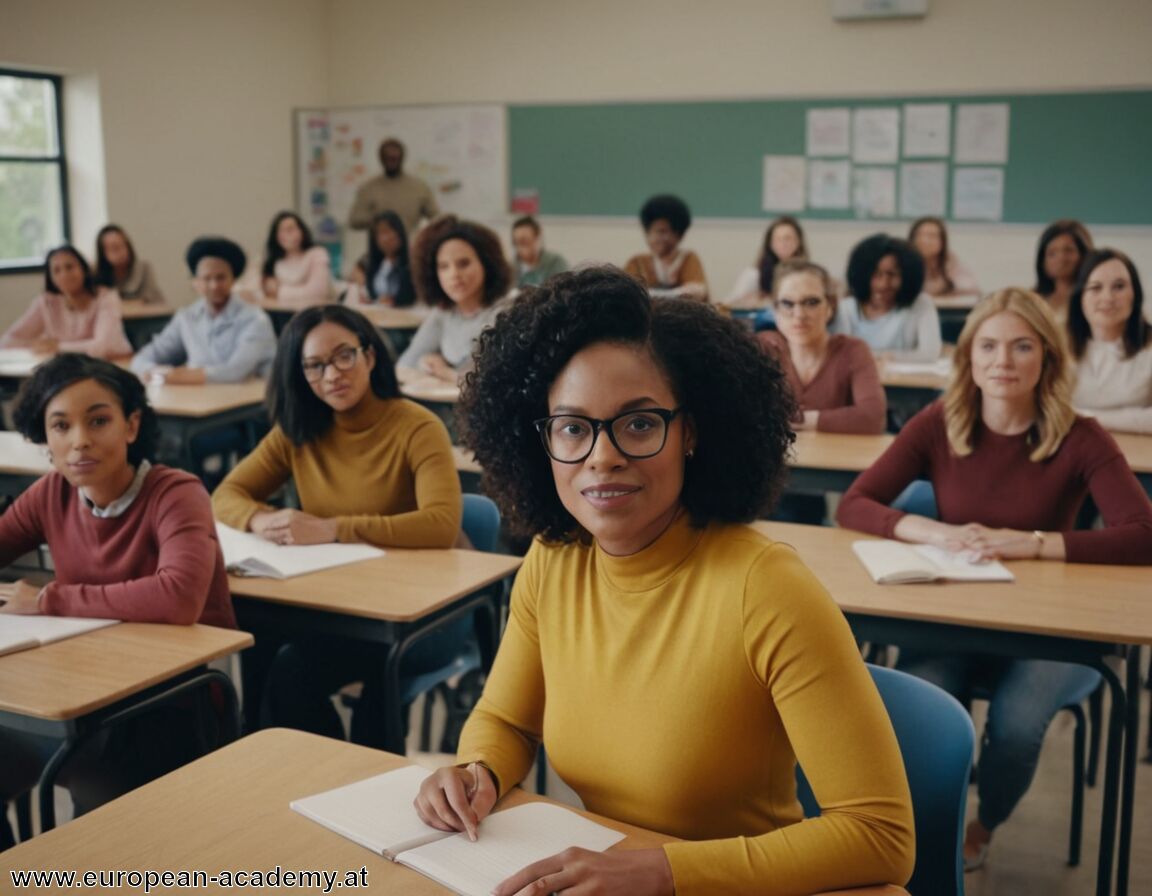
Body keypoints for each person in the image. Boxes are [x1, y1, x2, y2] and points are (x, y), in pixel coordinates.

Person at [414, 267, 914, 895]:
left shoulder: (767, 588)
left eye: (640, 424)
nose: (602, 457)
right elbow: (507, 721)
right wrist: (477, 772)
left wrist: (664, 872)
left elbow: (880, 836)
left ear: (691, 432)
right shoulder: (555, 558)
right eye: (572, 427)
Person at [837, 288, 1152, 870]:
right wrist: (932, 531)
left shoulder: (1080, 434)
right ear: (969, 357)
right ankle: (930, 828)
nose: (1002, 361)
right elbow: (855, 503)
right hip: (956, 617)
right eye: (988, 346)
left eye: (1021, 346)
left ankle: (983, 826)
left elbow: (1143, 532)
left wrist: (1033, 544)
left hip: (1049, 631)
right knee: (921, 711)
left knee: (1016, 727)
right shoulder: (940, 421)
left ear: (1047, 357)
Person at [0, 354, 236, 845]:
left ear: (131, 425)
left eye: (98, 421)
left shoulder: (176, 493)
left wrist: (49, 600)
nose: (79, 440)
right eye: (60, 426)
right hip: (80, 690)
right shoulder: (51, 493)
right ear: (45, 440)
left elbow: (178, 597)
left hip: (170, 703)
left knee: (102, 813)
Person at [212, 305, 462, 742]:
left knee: (318, 672)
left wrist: (334, 528)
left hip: (420, 613)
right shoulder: (299, 430)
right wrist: (260, 519)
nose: (331, 375)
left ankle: (363, 775)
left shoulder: (417, 426)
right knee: (268, 652)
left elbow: (441, 523)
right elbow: (225, 495)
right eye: (314, 365)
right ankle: (305, 768)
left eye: (343, 356)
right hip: (339, 606)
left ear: (370, 356)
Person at [757, 260, 885, 434]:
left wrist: (800, 419)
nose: (799, 314)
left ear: (830, 307)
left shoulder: (853, 350)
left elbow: (872, 418)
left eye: (811, 302)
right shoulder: (764, 348)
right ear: (775, 311)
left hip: (837, 452)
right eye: (787, 303)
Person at [131, 237, 276, 384]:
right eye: (207, 278)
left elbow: (235, 372)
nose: (214, 285)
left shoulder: (255, 319)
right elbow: (142, 359)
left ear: (233, 279)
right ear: (195, 282)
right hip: (199, 396)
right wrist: (156, 372)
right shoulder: (186, 317)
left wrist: (176, 376)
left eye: (221, 278)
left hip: (247, 397)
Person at [397, 215, 512, 382]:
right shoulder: (443, 312)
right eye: (443, 267)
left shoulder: (504, 313)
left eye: (463, 263)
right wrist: (425, 363)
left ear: (486, 264)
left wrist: (445, 372)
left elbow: (490, 381)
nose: (454, 274)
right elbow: (405, 364)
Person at [1068, 248, 1152, 434]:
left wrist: (1085, 417)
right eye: (1096, 287)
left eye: (1119, 287)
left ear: (1135, 294)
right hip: (1073, 447)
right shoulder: (1058, 347)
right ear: (1080, 296)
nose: (1107, 298)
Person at [1, 246, 131, 359]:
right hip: (69, 366)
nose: (64, 274)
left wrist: (58, 346)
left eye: (69, 267)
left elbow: (104, 346)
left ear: (84, 269)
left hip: (114, 363)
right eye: (56, 270)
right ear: (51, 277)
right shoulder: (47, 302)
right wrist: (36, 345)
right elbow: (10, 340)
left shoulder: (106, 297)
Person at [833, 233, 941, 362]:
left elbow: (929, 354)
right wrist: (888, 357)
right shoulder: (846, 309)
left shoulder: (920, 304)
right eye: (876, 274)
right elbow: (838, 356)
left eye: (892, 274)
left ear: (908, 276)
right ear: (862, 274)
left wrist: (875, 357)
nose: (883, 284)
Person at [347, 137, 439, 236]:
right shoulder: (369, 188)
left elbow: (436, 217)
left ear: (402, 158)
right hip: (380, 243)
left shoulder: (419, 187)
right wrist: (379, 221)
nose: (391, 162)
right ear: (381, 159)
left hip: (411, 242)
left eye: (394, 158)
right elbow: (354, 220)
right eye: (387, 158)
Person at [624, 194, 709, 301]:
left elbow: (698, 292)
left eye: (672, 232)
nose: (665, 238)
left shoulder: (688, 259)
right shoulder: (637, 263)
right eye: (660, 231)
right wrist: (677, 293)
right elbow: (626, 294)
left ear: (679, 235)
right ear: (647, 232)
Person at [724, 215, 808, 307]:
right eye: (778, 239)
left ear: (798, 242)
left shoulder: (808, 274)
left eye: (787, 238)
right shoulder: (754, 274)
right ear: (770, 244)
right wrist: (748, 302)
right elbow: (728, 304)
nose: (783, 243)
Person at [260, 211, 332, 307]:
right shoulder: (274, 261)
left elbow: (318, 292)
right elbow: (258, 292)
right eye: (281, 231)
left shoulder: (317, 254)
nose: (287, 235)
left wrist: (278, 292)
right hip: (279, 311)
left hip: (311, 311)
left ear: (301, 231)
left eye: (290, 229)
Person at [347, 210, 416, 306]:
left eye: (388, 231)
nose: (385, 238)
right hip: (378, 311)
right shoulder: (370, 262)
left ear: (399, 232)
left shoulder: (413, 260)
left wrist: (394, 301)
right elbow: (356, 279)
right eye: (380, 233)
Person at [1033, 219, 1093, 325]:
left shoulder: (1095, 296)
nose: (1061, 258)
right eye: (1052, 253)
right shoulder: (1032, 299)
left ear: (1084, 254)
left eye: (1068, 250)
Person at [908, 217, 980, 299]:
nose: (924, 240)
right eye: (919, 235)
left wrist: (947, 286)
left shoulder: (950, 260)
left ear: (942, 242)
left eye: (931, 236)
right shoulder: (904, 260)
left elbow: (971, 287)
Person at [94, 224, 165, 304]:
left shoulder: (143, 268)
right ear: (103, 253)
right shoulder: (98, 275)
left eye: (122, 245)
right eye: (113, 248)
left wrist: (113, 299)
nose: (120, 252)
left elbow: (146, 301)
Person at [510, 215, 567, 288]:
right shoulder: (511, 269)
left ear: (537, 238)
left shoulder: (556, 263)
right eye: (517, 242)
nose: (521, 247)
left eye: (525, 241)